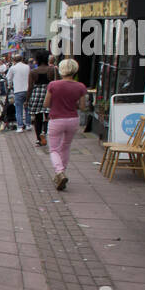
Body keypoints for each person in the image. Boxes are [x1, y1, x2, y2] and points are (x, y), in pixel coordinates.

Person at [43, 58, 88, 191]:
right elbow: (82, 107)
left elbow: (46, 104)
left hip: (56, 119)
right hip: (73, 119)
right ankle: (62, 172)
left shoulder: (53, 85)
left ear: (61, 70)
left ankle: (59, 171)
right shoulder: (81, 86)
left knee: (54, 149)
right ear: (75, 70)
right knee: (66, 146)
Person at [28, 54, 55, 147]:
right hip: (49, 93)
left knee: (37, 118)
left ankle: (38, 139)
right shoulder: (52, 70)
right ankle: (45, 132)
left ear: (37, 60)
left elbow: (30, 87)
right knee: (49, 116)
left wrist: (27, 100)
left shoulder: (33, 71)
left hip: (36, 95)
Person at [7, 56, 30, 132]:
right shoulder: (27, 67)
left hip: (18, 90)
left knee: (18, 109)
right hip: (27, 90)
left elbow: (8, 78)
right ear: (22, 59)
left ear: (14, 61)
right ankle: (28, 125)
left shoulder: (13, 68)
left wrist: (9, 85)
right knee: (27, 108)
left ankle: (20, 127)